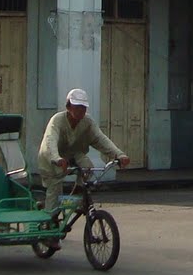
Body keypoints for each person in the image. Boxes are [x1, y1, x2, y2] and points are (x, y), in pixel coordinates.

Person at [36, 89, 129, 245]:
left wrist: (119, 155)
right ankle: (49, 229)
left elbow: (100, 139)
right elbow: (50, 142)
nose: (80, 111)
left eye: (83, 108)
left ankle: (75, 197)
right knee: (54, 193)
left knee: (88, 168)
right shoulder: (57, 120)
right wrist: (57, 159)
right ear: (68, 107)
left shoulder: (87, 122)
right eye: (77, 107)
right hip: (52, 159)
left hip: (74, 155)